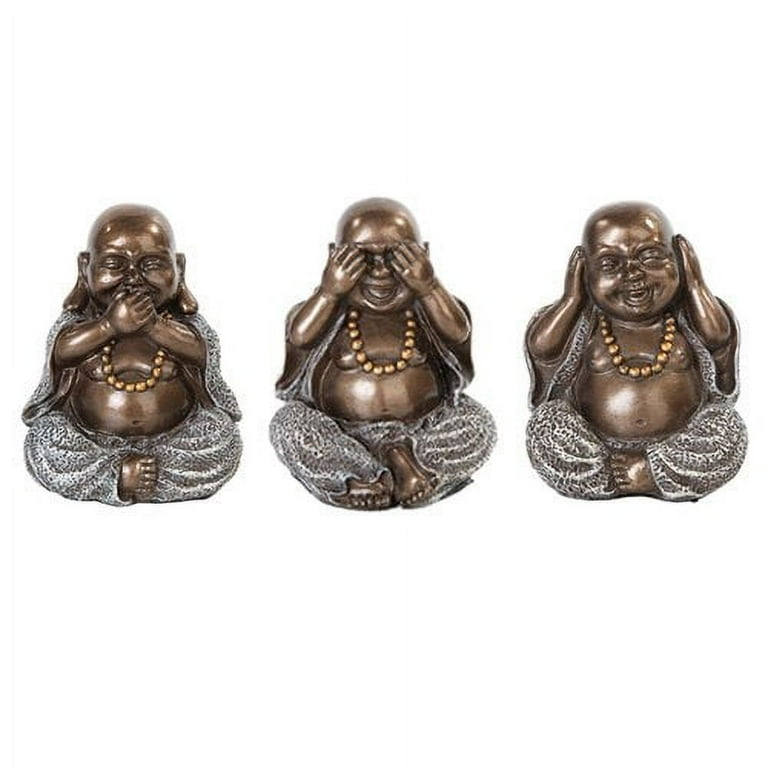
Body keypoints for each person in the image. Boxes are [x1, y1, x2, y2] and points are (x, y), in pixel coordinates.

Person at [271, 198, 495, 508]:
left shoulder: (428, 306)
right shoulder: (327, 309)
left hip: (422, 429)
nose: (380, 271)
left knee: (478, 422)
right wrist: (329, 291)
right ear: (334, 257)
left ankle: (416, 466)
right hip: (344, 434)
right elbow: (299, 336)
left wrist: (429, 287)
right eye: (362, 258)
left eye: (396, 257)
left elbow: (459, 332)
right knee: (288, 424)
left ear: (424, 256)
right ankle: (363, 478)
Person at [526, 202, 746, 500]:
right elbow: (543, 349)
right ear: (585, 272)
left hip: (678, 442)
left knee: (728, 429)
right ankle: (605, 476)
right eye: (610, 264)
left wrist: (695, 284)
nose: (633, 274)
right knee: (546, 425)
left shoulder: (685, 319)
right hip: (598, 446)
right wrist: (571, 299)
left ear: (677, 259)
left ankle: (650, 472)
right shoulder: (587, 322)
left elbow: (718, 338)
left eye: (650, 256)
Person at [23, 204, 242, 505]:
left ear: (179, 268)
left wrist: (154, 326)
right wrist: (108, 326)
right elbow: (61, 352)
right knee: (45, 439)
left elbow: (202, 352)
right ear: (85, 268)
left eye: (151, 264)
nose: (133, 278)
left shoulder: (183, 326)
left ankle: (145, 475)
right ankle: (117, 474)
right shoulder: (80, 325)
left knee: (221, 438)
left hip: (173, 439)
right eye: (114, 264)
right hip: (92, 441)